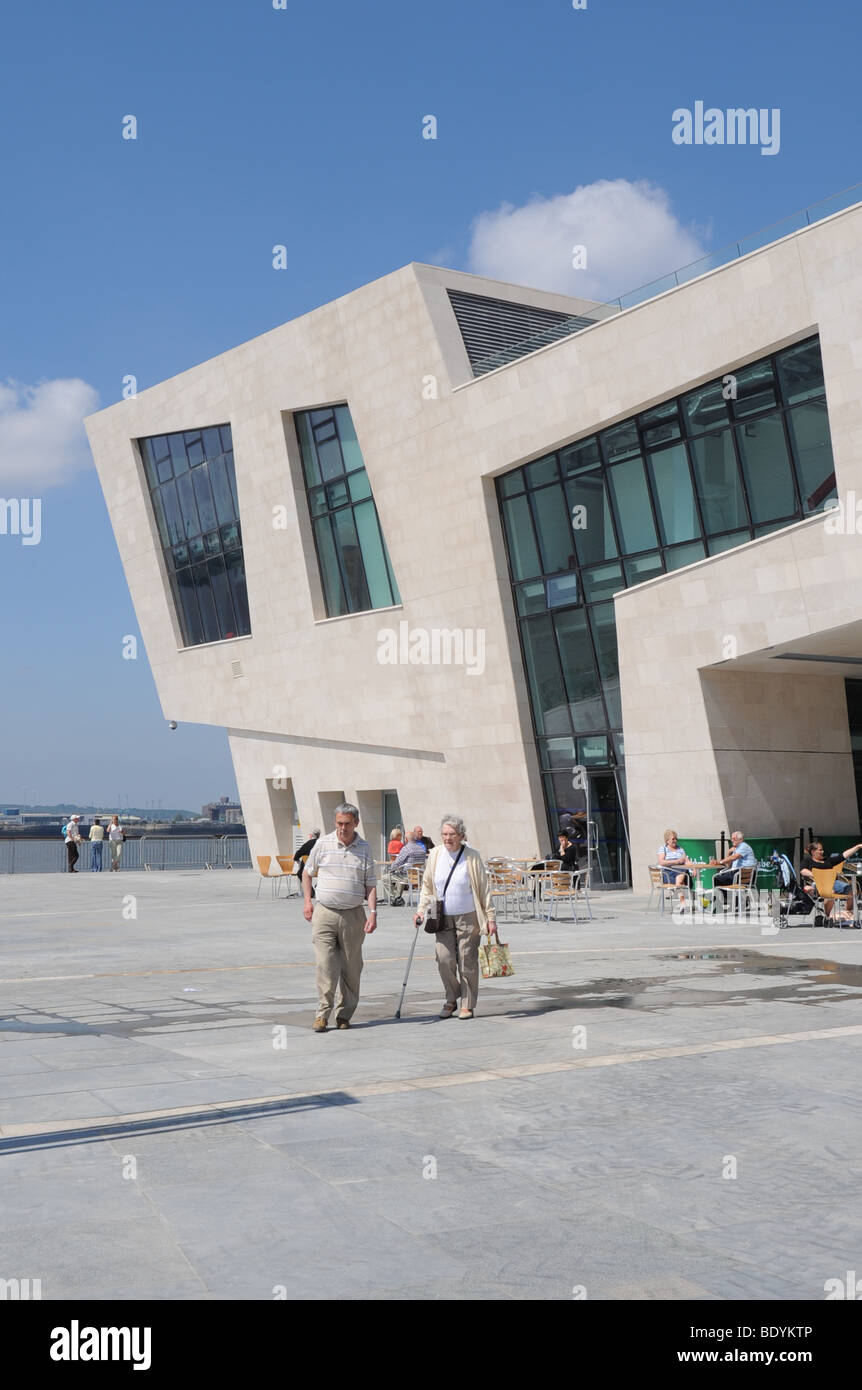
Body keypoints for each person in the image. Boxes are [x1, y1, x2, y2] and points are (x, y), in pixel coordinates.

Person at [415, 815, 498, 1020]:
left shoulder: (471, 856)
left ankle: (466, 1003)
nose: (448, 838)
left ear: (461, 835)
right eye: (444, 834)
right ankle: (452, 996)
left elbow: (483, 889)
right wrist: (420, 910)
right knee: (443, 958)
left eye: (452, 834)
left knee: (467, 959)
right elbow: (427, 886)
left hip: (468, 915)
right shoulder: (435, 855)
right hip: (439, 913)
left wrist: (490, 917)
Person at [302, 803, 377, 1032]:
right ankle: (322, 1015)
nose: (343, 828)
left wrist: (373, 913)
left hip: (354, 914)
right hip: (325, 912)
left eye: (347, 823)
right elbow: (307, 873)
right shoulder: (323, 844)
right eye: (339, 823)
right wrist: (307, 901)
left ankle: (344, 1015)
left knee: (352, 967)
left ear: (356, 823)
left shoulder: (364, 847)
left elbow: (370, 884)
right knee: (325, 965)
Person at [800, 839, 862, 922]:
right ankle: (827, 916)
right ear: (813, 852)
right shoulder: (808, 861)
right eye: (820, 850)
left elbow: (843, 855)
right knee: (829, 892)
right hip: (819, 883)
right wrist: (817, 876)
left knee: (851, 890)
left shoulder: (828, 860)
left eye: (822, 850)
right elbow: (803, 871)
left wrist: (857, 847)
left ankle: (848, 911)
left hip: (834, 882)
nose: (822, 851)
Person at [710, 831, 756, 907]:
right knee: (717, 878)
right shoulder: (737, 848)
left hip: (743, 876)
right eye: (731, 838)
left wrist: (720, 862)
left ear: (740, 839)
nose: (732, 840)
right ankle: (736, 901)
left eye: (734, 839)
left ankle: (732, 901)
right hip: (738, 874)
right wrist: (728, 852)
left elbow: (734, 857)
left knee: (716, 878)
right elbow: (728, 865)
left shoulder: (743, 846)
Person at [383, 831, 427, 906]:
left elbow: (397, 863)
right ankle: (397, 898)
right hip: (419, 877)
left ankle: (395, 898)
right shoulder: (422, 849)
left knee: (385, 877)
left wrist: (391, 869)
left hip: (407, 877)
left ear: (406, 839)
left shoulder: (406, 849)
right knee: (402, 874)